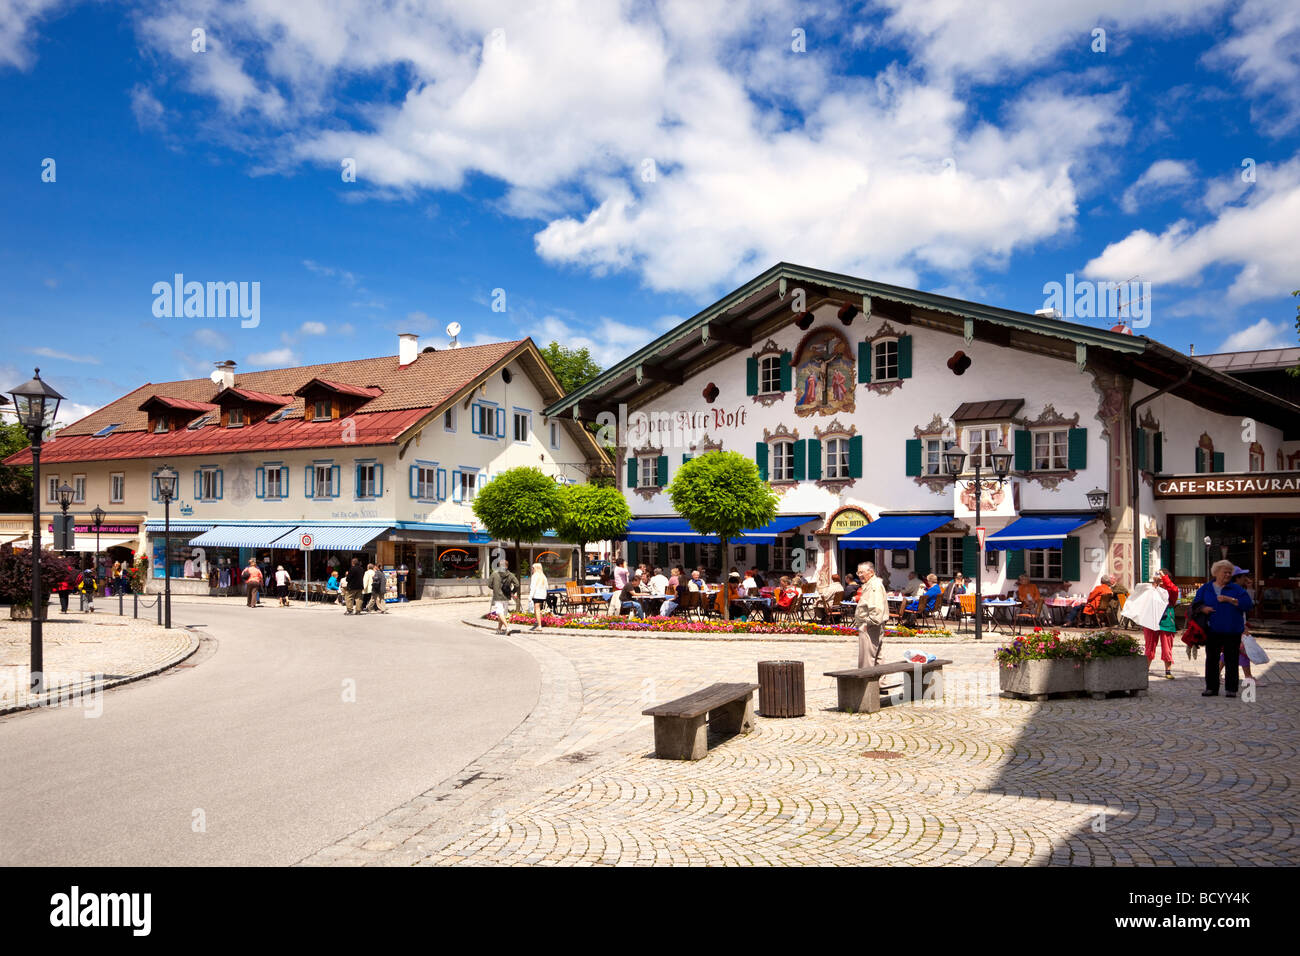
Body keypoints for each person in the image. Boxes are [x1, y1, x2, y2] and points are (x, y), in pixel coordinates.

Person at [1194, 559, 1253, 698]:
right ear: (1216, 573)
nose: (1227, 575)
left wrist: (1230, 600)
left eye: (1229, 572)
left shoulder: (1236, 589)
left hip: (1232, 630)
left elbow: (1248, 605)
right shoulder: (1206, 588)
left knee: (1232, 660)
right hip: (1212, 629)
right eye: (1224, 572)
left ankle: (1231, 689)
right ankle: (1211, 688)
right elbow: (1195, 604)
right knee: (1212, 659)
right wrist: (1203, 608)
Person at [1143, 568, 1180, 680]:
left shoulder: (1172, 590)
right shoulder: (1153, 588)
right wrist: (1154, 585)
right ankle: (1145, 669)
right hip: (1152, 618)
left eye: (1162, 578)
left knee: (1167, 646)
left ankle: (1167, 670)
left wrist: (1164, 577)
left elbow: (1173, 589)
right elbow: (1146, 598)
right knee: (1149, 645)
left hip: (1166, 619)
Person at [854, 562, 889, 668]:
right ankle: (881, 683)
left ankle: (866, 683)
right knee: (878, 657)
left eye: (862, 572)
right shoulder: (872, 584)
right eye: (858, 572)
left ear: (871, 572)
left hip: (870, 626)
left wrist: (867, 623)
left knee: (867, 660)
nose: (859, 575)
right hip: (872, 625)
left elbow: (876, 608)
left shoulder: (874, 585)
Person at [488, 563, 519, 633]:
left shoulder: (494, 574)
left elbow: (489, 585)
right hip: (506, 596)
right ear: (507, 566)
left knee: (499, 613)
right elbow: (517, 584)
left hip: (497, 596)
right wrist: (512, 592)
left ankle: (507, 627)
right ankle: (499, 629)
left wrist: (495, 588)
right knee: (502, 614)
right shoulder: (510, 574)